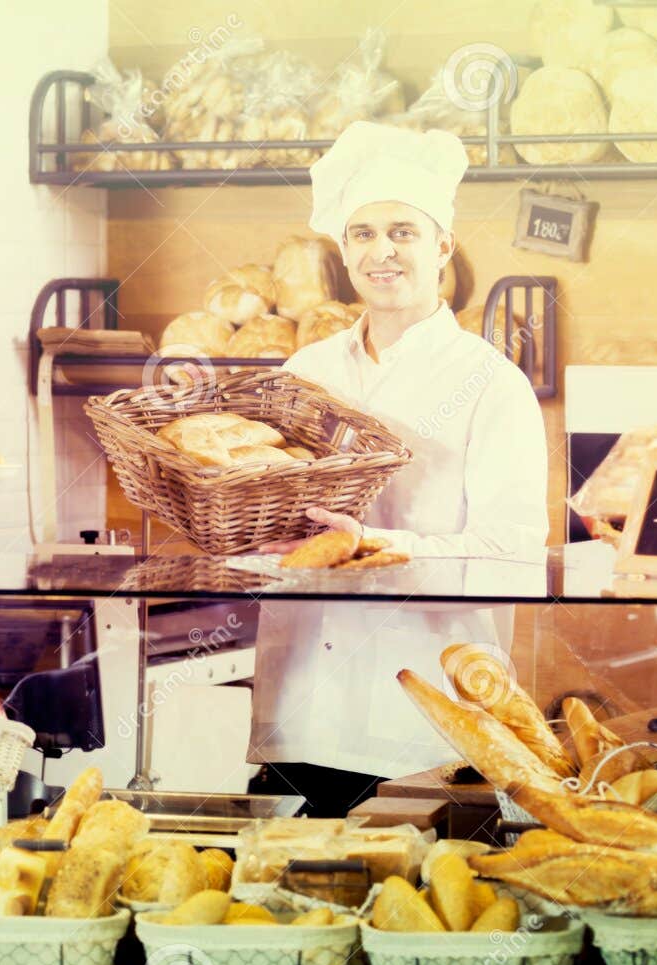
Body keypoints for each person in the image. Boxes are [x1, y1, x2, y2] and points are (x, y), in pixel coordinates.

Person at [248, 122, 549, 818]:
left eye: (402, 232)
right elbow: (270, 509)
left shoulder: (491, 382)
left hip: (428, 726)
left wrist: (385, 545)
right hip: (303, 712)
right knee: (284, 908)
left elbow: (515, 549)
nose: (381, 251)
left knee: (428, 915)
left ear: (442, 244)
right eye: (361, 233)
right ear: (344, 251)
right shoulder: (305, 371)